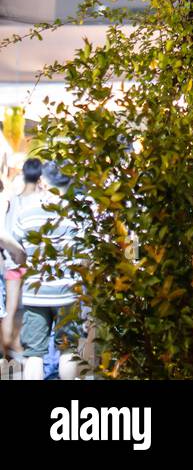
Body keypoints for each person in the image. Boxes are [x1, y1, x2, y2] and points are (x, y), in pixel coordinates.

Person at [12, 160, 82, 380]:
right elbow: (86, 255)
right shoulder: (77, 214)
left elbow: (18, 249)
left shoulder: (27, 212)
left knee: (34, 353)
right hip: (67, 292)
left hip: (36, 293)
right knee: (67, 349)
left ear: (42, 181)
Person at [1, 157, 42, 357]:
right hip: (31, 259)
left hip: (11, 258)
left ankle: (8, 347)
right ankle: (20, 346)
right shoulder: (40, 201)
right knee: (31, 308)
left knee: (10, 307)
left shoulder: (13, 199)